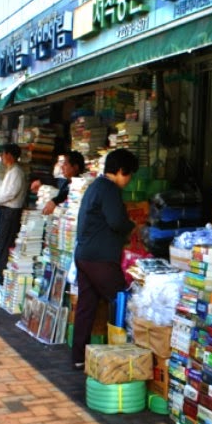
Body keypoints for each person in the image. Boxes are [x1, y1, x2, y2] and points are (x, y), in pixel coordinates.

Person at [71, 148, 138, 369]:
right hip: (101, 258)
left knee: (86, 306)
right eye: (129, 175)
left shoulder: (95, 187)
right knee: (121, 300)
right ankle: (119, 356)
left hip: (84, 255)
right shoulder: (109, 189)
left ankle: (78, 357)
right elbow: (117, 221)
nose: (128, 181)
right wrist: (133, 227)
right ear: (121, 171)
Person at [0, 143, 26, 284]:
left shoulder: (16, 172)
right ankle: (2, 275)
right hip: (5, 211)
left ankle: (3, 277)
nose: (2, 157)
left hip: (10, 212)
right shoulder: (11, 171)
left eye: (4, 154)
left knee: (6, 244)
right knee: (3, 243)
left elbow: (11, 193)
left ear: (9, 155)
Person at [42, 150, 84, 216]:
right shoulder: (66, 182)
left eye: (65, 164)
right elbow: (55, 181)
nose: (62, 167)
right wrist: (40, 181)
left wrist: (55, 201)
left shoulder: (81, 186)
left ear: (75, 167)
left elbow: (68, 193)